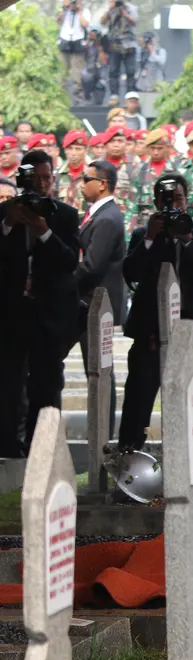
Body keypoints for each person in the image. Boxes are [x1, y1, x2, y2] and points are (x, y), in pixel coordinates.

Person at [117, 173, 193, 451]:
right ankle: (130, 451)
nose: (173, 205)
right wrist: (151, 236)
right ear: (155, 202)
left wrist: (187, 238)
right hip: (151, 325)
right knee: (139, 390)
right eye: (166, 200)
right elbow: (130, 273)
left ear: (186, 201)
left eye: (178, 199)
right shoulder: (141, 235)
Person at [0, 150, 82, 457]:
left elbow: (69, 261)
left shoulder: (65, 215)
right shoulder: (5, 211)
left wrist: (42, 230)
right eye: (37, 179)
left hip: (50, 314)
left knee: (47, 384)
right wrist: (8, 223)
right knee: (8, 381)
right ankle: (8, 448)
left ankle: (42, 448)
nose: (43, 184)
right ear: (23, 179)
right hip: (12, 312)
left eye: (48, 178)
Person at [75, 160, 127, 432]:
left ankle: (104, 431)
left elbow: (92, 265)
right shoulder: (98, 213)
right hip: (87, 302)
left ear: (102, 184)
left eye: (87, 179)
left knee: (99, 370)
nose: (82, 184)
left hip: (94, 303)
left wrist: (63, 281)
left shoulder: (107, 218)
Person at [102, 0, 139, 98]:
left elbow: (135, 22)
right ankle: (114, 95)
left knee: (130, 71)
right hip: (115, 44)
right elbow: (102, 22)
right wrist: (109, 10)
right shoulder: (111, 8)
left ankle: (130, 95)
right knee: (113, 71)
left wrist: (125, 14)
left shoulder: (132, 8)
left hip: (129, 44)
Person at [57, 0, 90, 101]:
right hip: (64, 41)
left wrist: (79, 11)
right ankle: (60, 94)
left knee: (77, 73)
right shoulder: (64, 11)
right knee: (62, 70)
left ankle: (77, 95)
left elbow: (85, 24)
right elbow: (58, 21)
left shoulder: (85, 11)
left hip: (78, 42)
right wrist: (65, 8)